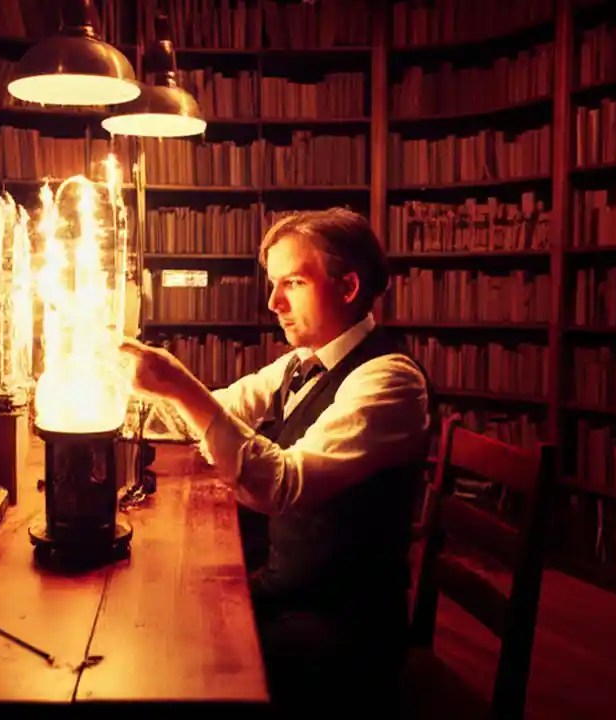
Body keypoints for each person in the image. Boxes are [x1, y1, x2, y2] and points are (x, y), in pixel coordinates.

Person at [120, 207, 434, 707]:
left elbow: (282, 485)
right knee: (164, 612)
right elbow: (216, 410)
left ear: (348, 286)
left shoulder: (390, 380)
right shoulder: (301, 362)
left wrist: (180, 388)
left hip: (343, 626)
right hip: (291, 588)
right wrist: (114, 393)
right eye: (273, 283)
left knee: (177, 656)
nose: (273, 302)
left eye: (292, 282)